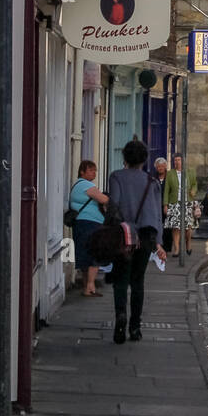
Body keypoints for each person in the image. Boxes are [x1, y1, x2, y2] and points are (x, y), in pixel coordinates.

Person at [107, 139, 166, 344]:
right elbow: (157, 215)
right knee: (138, 281)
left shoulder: (116, 177)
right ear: (144, 160)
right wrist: (158, 243)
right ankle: (135, 327)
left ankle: (120, 316)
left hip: (123, 236)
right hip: (145, 237)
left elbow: (113, 207)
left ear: (125, 157)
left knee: (120, 280)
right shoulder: (153, 182)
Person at [68, 160, 110, 297]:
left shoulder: (78, 186)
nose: (94, 173)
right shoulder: (86, 185)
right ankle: (90, 286)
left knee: (86, 256)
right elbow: (104, 199)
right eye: (91, 170)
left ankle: (87, 286)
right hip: (90, 224)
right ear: (82, 171)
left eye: (95, 170)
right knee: (95, 254)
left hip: (83, 224)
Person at [167, 155, 197, 256]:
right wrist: (165, 205)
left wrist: (193, 190)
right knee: (176, 227)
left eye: (179, 160)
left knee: (188, 227)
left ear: (183, 161)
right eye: (175, 160)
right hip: (175, 202)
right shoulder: (170, 174)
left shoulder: (190, 172)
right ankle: (177, 249)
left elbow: (194, 184)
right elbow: (167, 190)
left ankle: (188, 242)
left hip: (187, 202)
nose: (177, 162)